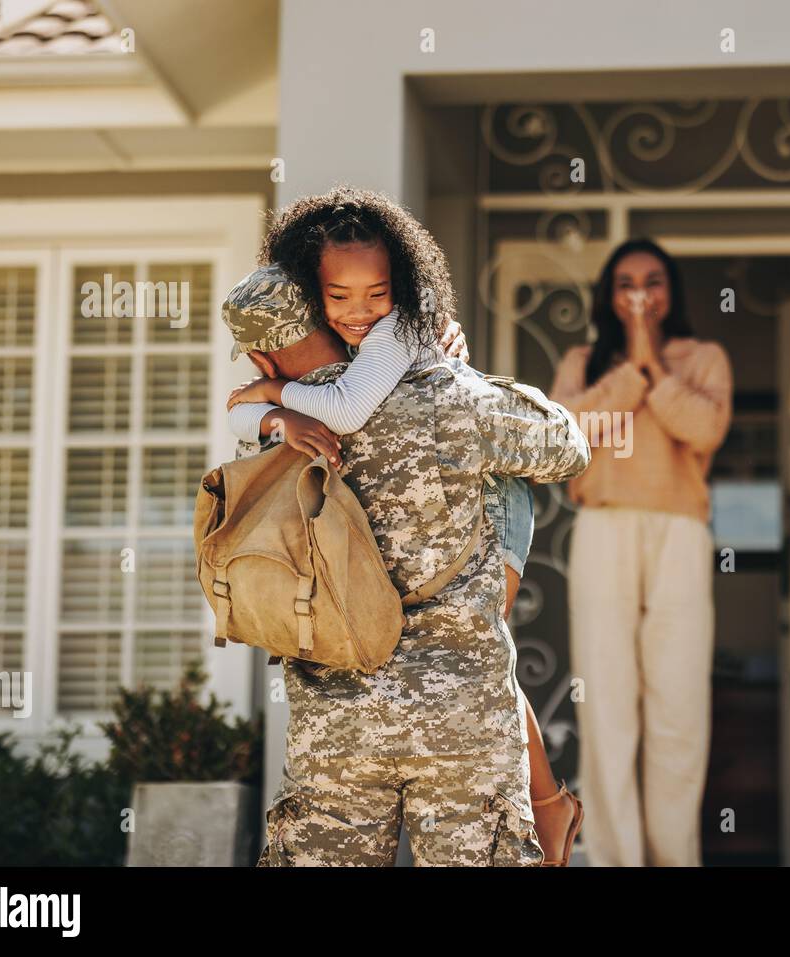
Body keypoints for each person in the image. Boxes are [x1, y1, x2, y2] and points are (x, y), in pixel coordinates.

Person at [225, 187, 582, 863]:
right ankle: (550, 804)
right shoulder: (445, 388)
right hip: (460, 723)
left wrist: (273, 399)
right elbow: (566, 445)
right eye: (341, 297)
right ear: (318, 297)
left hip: (334, 732)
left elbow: (278, 413)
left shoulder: (269, 438)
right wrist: (459, 371)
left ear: (259, 357)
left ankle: (550, 803)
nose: (360, 311)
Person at [549, 238, 733, 867]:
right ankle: (615, 859)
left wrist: (652, 364)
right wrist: (630, 371)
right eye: (627, 282)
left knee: (679, 708)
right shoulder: (583, 360)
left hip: (679, 533)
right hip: (605, 529)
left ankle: (674, 857)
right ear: (609, 294)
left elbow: (703, 429)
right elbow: (563, 433)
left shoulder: (703, 357)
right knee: (605, 702)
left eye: (652, 281)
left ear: (670, 291)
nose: (640, 293)